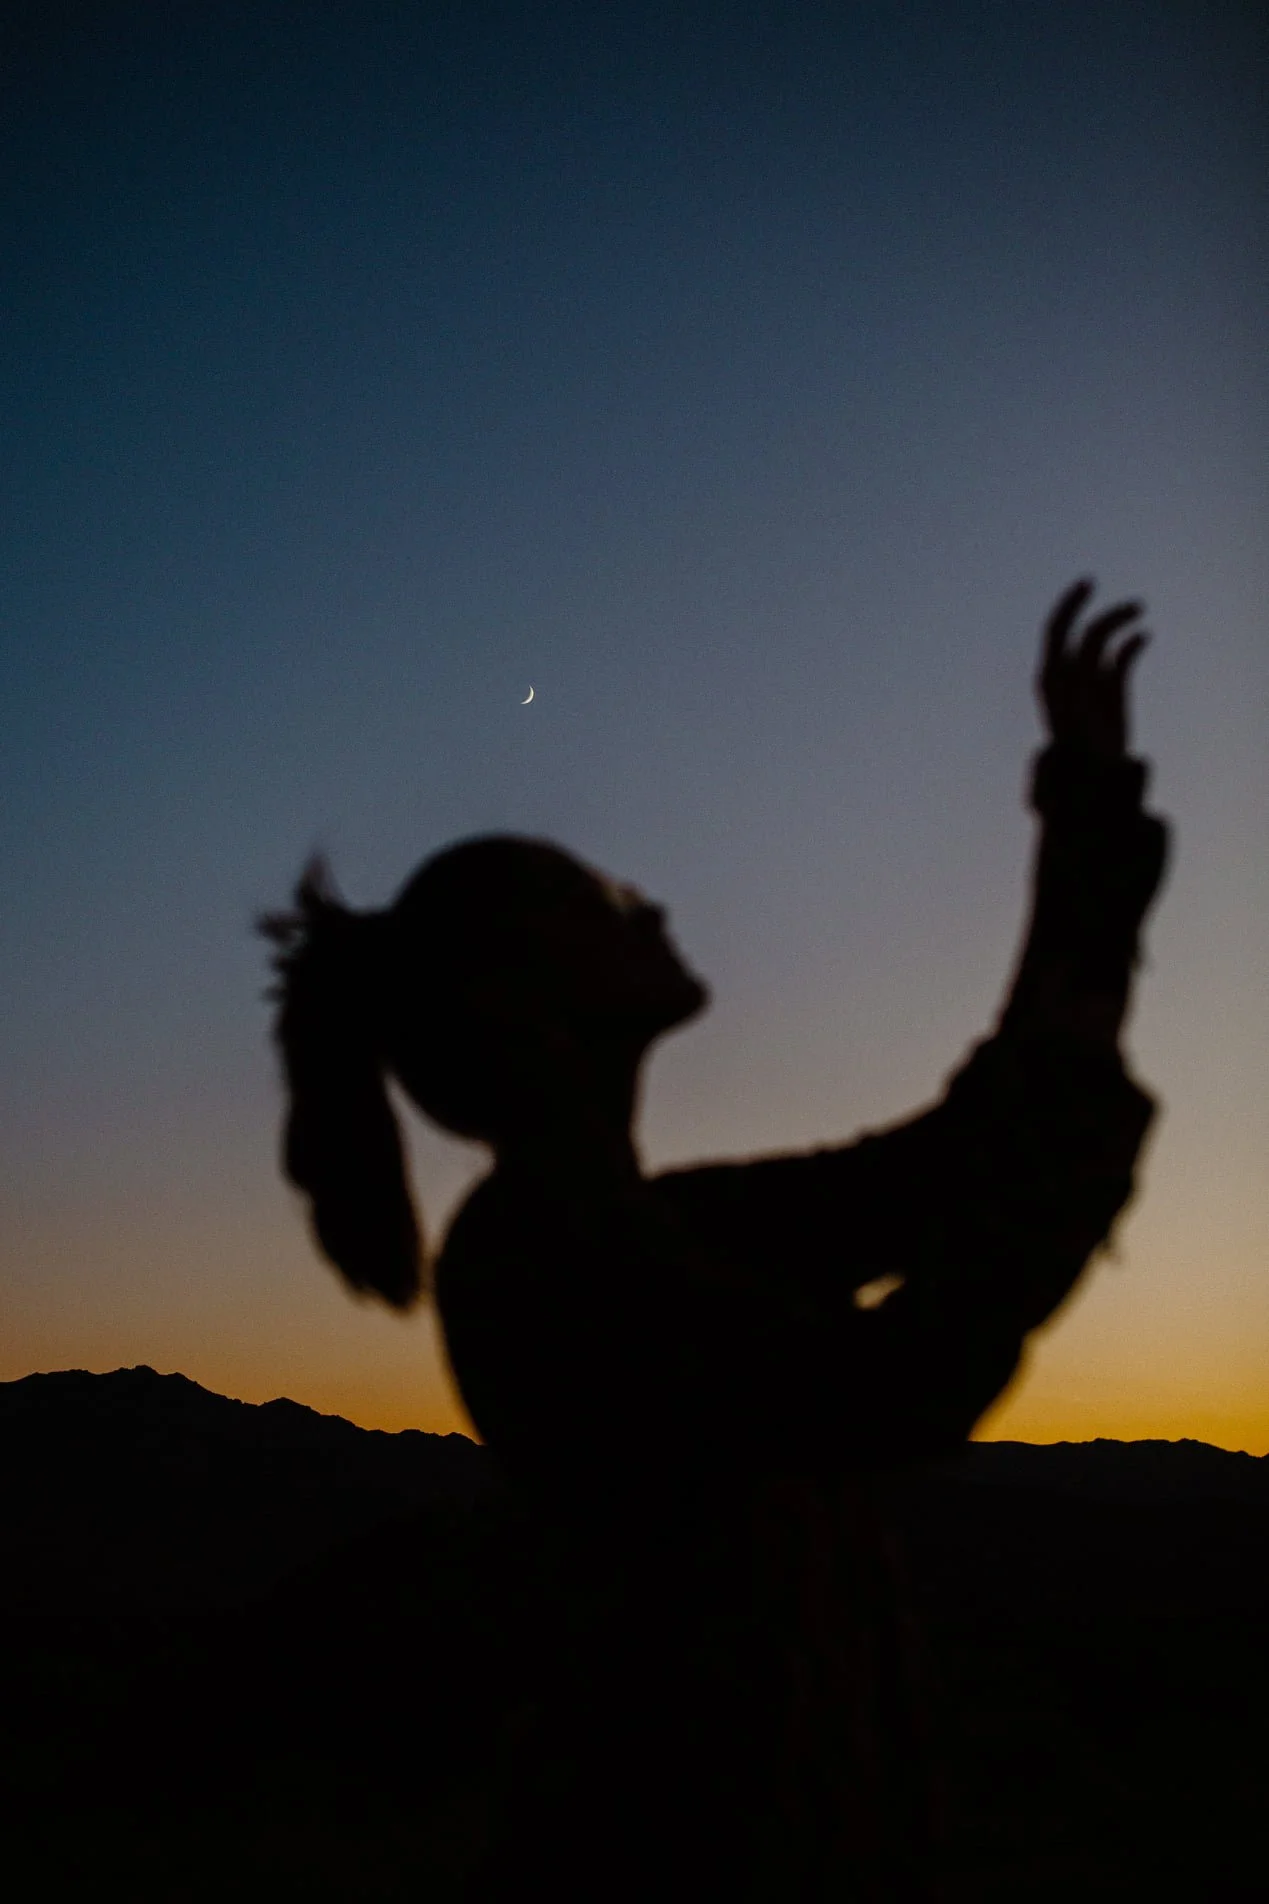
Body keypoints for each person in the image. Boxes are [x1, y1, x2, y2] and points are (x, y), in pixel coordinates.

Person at [262, 580, 1169, 1901]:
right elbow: (894, 1384)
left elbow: (951, 1160)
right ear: (532, 1004)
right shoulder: (543, 1261)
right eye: (601, 898)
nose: (649, 904)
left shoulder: (654, 1224)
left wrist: (1082, 813)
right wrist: (1080, 1093)